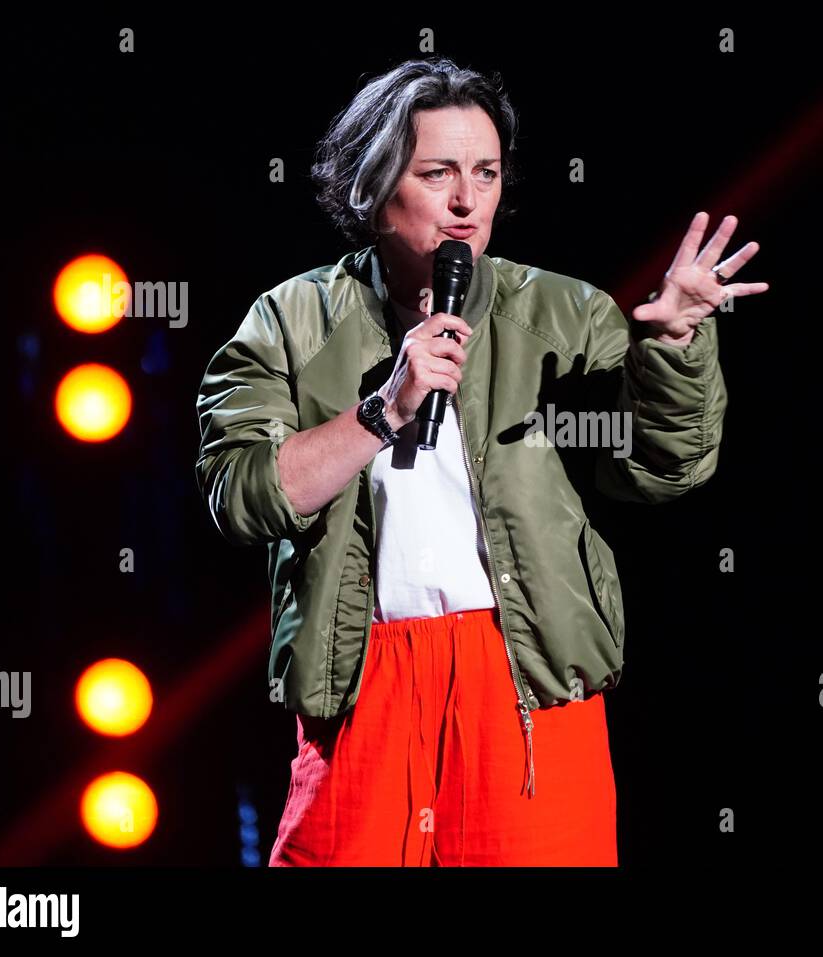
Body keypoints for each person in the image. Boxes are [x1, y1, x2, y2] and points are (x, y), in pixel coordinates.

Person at [193, 57, 767, 866]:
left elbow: (664, 465)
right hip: (364, 685)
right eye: (438, 174)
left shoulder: (562, 312)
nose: (468, 201)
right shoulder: (289, 321)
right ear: (372, 184)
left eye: (487, 173)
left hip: (522, 675)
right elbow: (240, 496)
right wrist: (381, 410)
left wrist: (674, 346)